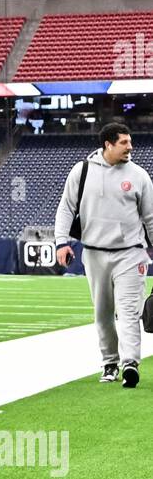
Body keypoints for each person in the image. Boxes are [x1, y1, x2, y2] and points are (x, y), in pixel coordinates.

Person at [55, 122, 153, 387]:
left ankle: (130, 363)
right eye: (124, 142)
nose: (130, 147)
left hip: (131, 254)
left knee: (130, 311)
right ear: (107, 144)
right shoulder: (82, 170)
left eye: (130, 142)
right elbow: (66, 208)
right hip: (95, 254)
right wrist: (61, 242)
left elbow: (151, 218)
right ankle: (110, 362)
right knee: (102, 313)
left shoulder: (139, 175)